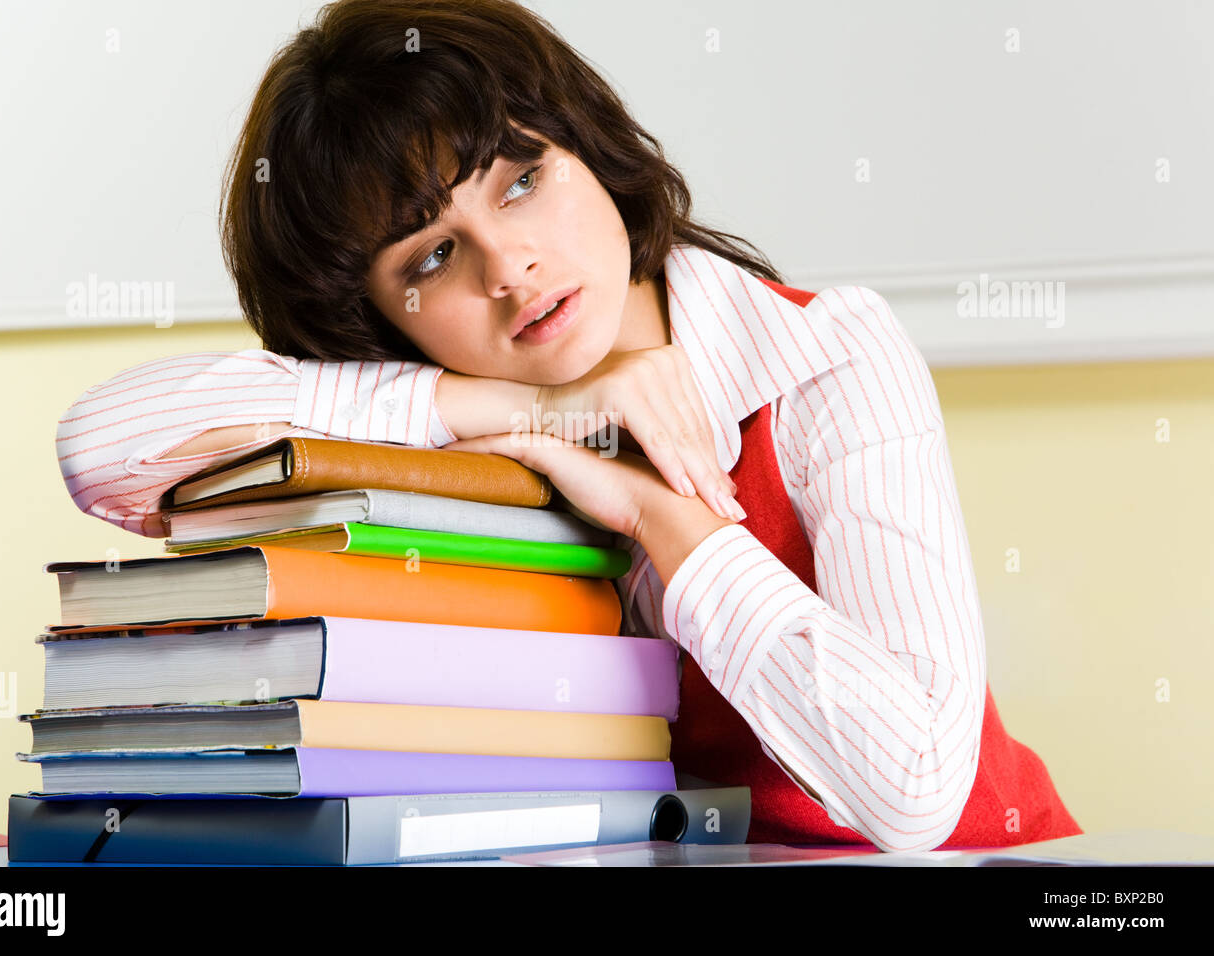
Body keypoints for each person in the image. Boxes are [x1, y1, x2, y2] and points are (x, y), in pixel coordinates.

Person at [55, 0, 1080, 852]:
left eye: (521, 181)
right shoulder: (462, 424)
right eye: (427, 258)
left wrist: (658, 513)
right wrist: (523, 410)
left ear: (589, 149)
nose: (507, 268)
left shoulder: (819, 354)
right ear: (372, 321)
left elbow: (915, 790)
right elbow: (102, 445)